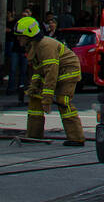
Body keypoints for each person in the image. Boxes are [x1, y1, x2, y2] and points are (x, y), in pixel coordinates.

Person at [15, 15, 84, 145]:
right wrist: (34, 87)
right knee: (35, 97)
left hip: (67, 73)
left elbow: (51, 73)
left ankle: (76, 138)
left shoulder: (45, 46)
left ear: (30, 34)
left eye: (20, 36)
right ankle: (34, 135)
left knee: (63, 101)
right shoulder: (33, 46)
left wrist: (47, 98)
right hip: (54, 73)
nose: (18, 39)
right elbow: (38, 71)